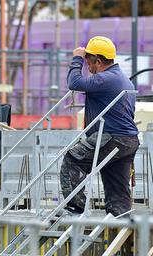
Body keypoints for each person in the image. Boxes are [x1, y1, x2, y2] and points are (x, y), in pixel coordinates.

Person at [60, 36, 139, 217]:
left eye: (89, 61)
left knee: (73, 159)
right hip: (127, 140)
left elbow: (74, 83)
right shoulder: (123, 79)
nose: (88, 65)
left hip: (112, 137)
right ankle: (119, 219)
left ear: (98, 60)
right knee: (115, 185)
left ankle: (75, 208)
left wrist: (77, 58)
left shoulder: (106, 78)